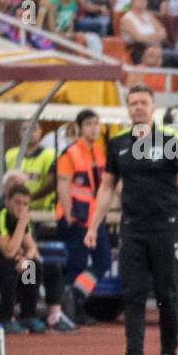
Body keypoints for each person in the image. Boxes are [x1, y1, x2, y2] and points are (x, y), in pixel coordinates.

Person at [85, 85, 178, 355]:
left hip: (166, 229)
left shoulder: (171, 140)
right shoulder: (117, 144)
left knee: (167, 296)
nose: (138, 107)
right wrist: (94, 225)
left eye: (143, 102)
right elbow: (106, 187)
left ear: (153, 106)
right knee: (132, 295)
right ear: (127, 109)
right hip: (132, 229)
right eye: (133, 103)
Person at [0, 181, 71, 333]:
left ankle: (28, 315)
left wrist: (26, 259)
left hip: (3, 261)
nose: (21, 208)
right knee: (11, 267)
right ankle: (5, 319)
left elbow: (32, 248)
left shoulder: (20, 216)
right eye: (17, 203)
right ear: (7, 201)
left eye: (25, 204)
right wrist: (22, 224)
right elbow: (9, 252)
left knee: (33, 265)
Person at [55, 109, 111, 325]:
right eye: (88, 124)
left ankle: (76, 298)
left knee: (103, 261)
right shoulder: (70, 153)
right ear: (79, 127)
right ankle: (70, 310)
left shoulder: (99, 151)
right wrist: (68, 216)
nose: (93, 128)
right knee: (76, 264)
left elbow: (105, 184)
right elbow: (62, 185)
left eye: (96, 123)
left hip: (94, 220)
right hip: (75, 219)